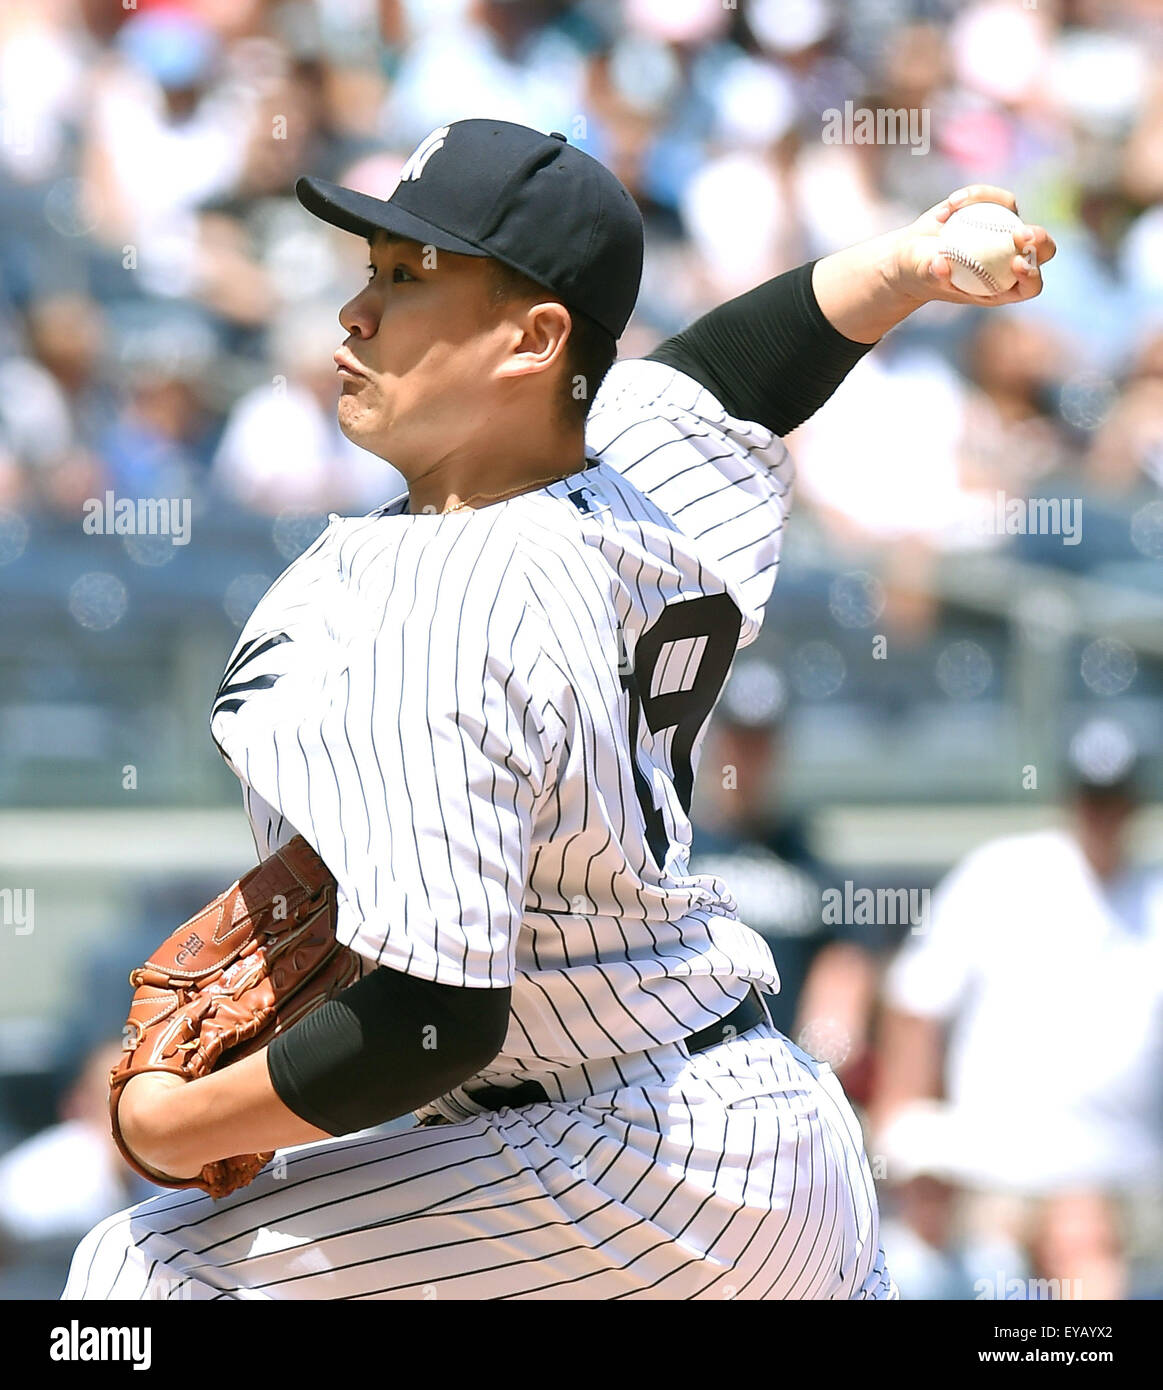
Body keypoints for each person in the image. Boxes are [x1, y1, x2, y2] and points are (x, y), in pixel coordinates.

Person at [62, 119, 1052, 1301]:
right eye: (369, 270)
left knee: (143, 1275)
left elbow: (432, 1023)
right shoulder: (612, 473)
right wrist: (900, 269)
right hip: (761, 1139)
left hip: (614, 1173)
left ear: (532, 342)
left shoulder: (436, 599)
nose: (353, 315)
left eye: (404, 279)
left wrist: (165, 1130)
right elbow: (736, 374)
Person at [873, 718, 1163, 1300]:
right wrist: (902, 1142)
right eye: (1092, 800)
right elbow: (915, 1006)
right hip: (992, 1179)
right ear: (1070, 799)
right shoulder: (1001, 875)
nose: (1102, 817)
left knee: (1086, 1259)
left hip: (1128, 1189)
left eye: (1114, 802)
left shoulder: (1156, 896)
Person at [688, 659, 879, 1090]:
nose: (750, 757)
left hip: (787, 1081)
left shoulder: (805, 854)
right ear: (717, 741)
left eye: (762, 742)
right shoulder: (680, 850)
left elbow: (846, 962)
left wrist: (820, 1057)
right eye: (741, 739)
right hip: (689, 1076)